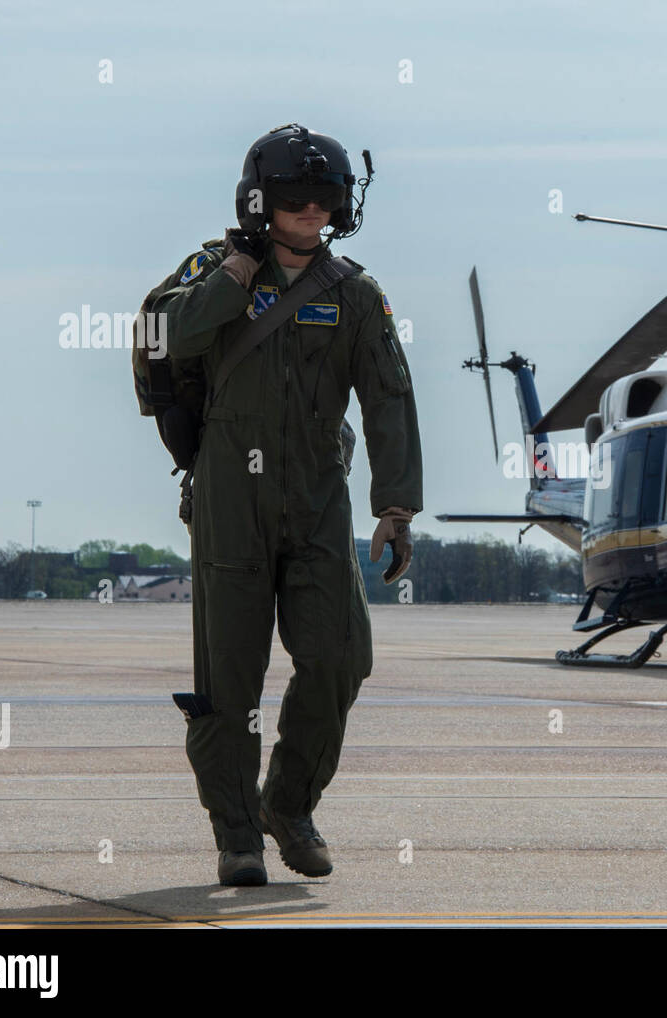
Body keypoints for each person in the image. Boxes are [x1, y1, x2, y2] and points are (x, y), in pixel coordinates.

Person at [152, 123, 422, 886]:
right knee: (229, 678)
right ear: (259, 202)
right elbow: (165, 335)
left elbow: (390, 402)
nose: (310, 213)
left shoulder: (356, 294)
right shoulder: (215, 271)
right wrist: (233, 276)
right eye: (294, 200)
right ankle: (237, 835)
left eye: (325, 201)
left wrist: (397, 507)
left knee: (342, 657)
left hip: (316, 501)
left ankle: (289, 803)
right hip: (231, 498)